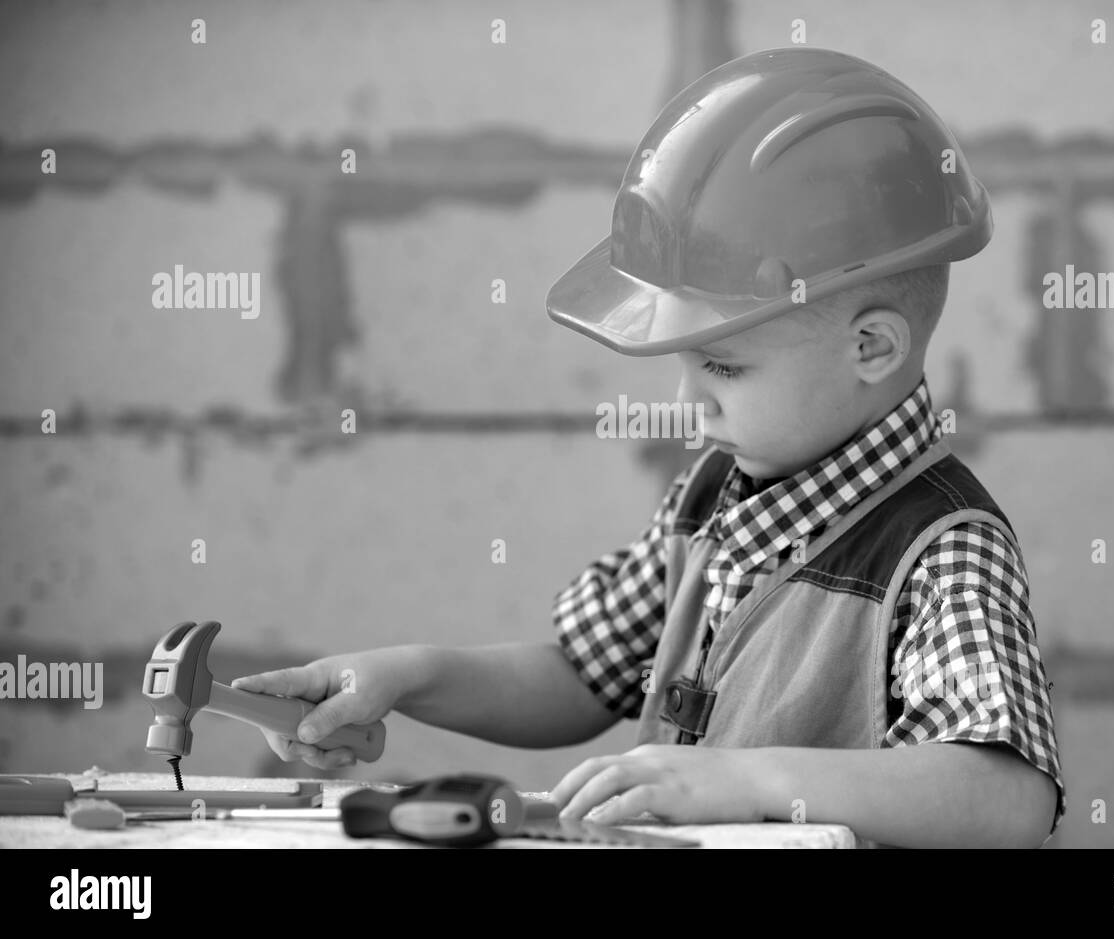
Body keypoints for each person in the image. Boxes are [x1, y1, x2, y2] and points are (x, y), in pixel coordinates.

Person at [234, 47, 1065, 848]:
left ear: (873, 348)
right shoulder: (714, 497)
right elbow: (576, 674)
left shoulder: (944, 550)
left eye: (724, 366)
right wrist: (404, 676)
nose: (686, 398)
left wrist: (748, 781)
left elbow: (1004, 794)